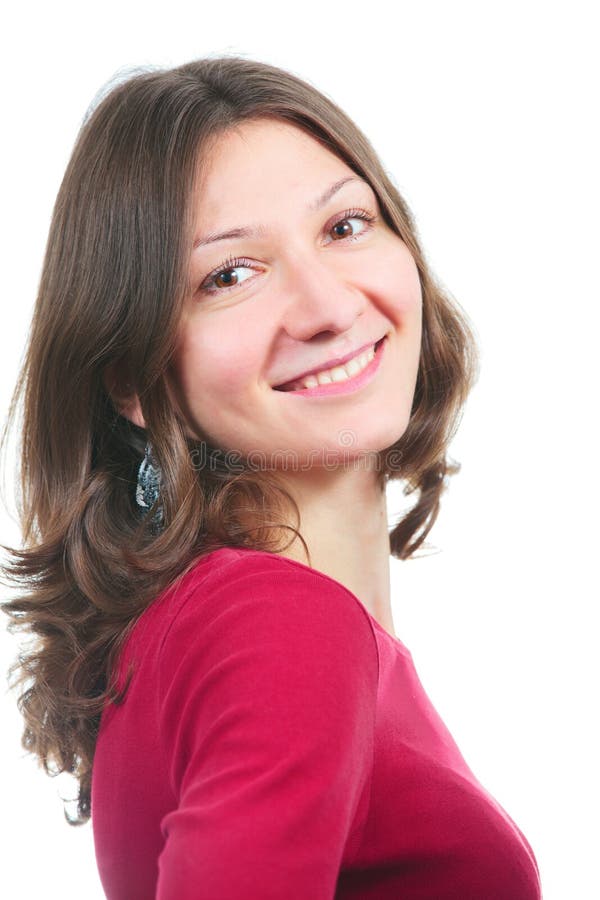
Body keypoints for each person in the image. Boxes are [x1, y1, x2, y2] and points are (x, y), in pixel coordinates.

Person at [0, 56, 542, 899]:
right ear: (131, 382)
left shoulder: (208, 629)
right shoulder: (284, 627)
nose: (329, 304)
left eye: (345, 226)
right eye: (229, 275)